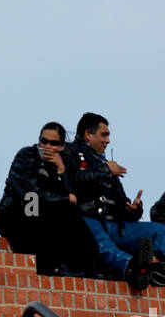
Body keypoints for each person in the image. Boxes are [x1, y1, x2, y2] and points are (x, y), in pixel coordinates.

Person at [64, 112, 165, 290]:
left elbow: (120, 200)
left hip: (114, 225)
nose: (108, 140)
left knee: (157, 231)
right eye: (104, 134)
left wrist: (134, 209)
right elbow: (72, 180)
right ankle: (136, 270)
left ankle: (151, 269)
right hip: (86, 220)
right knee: (106, 248)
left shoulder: (107, 164)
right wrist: (105, 170)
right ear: (88, 134)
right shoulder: (69, 152)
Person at [0, 122, 96, 276]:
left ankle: (88, 268)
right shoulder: (27, 156)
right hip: (17, 211)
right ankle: (55, 267)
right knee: (40, 212)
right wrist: (66, 198)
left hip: (45, 213)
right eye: (44, 141)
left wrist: (61, 172)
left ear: (61, 146)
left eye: (53, 143)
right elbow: (30, 195)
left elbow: (73, 200)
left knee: (74, 219)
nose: (47, 146)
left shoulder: (63, 163)